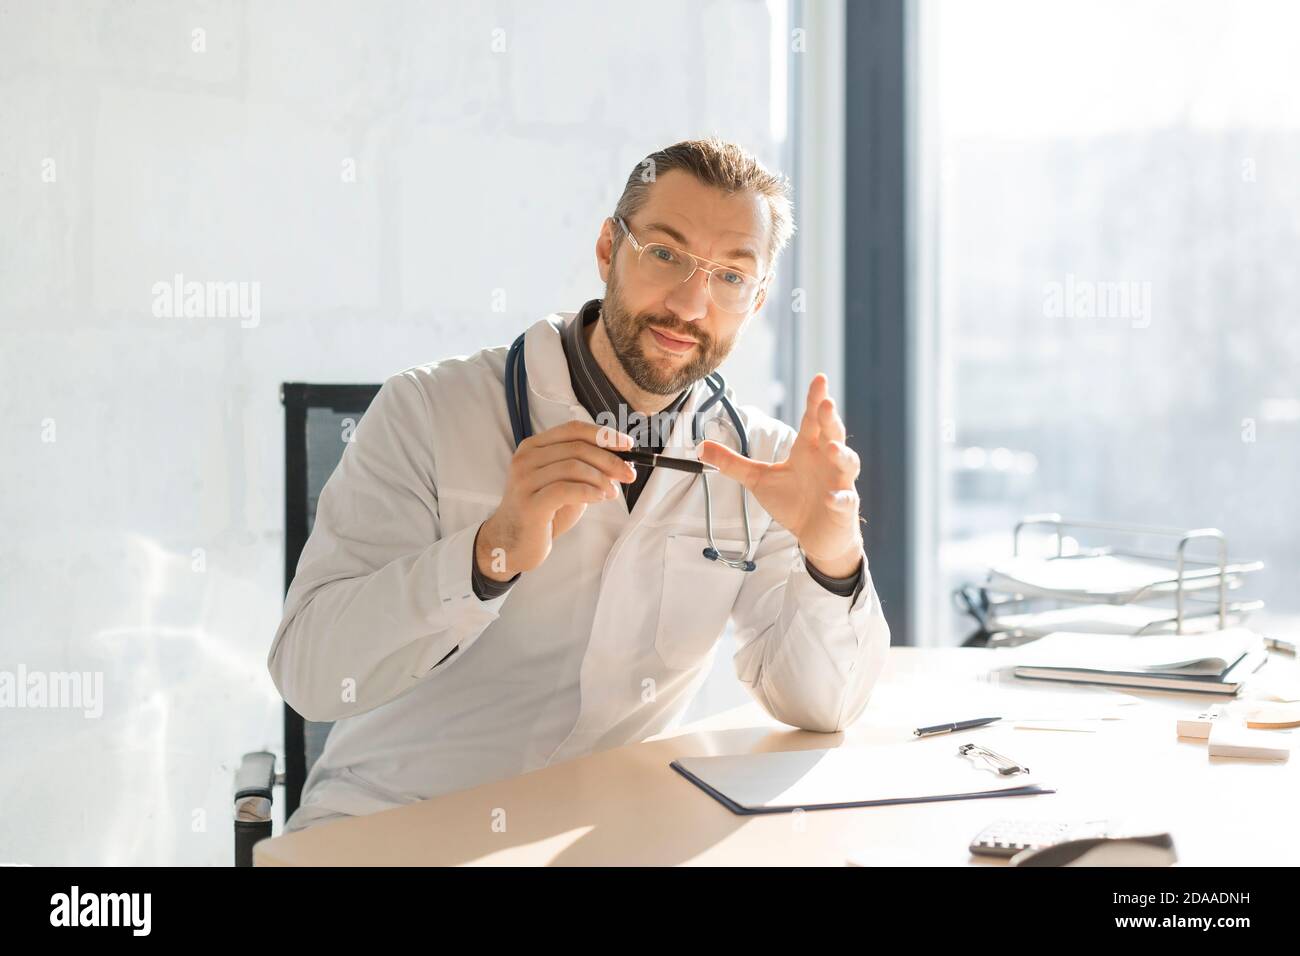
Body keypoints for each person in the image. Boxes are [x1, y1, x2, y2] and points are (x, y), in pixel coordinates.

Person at [268, 137, 890, 832]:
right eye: (665, 254)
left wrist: (831, 555)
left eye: (730, 277)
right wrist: (486, 556)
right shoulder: (426, 410)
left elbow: (821, 706)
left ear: (758, 299)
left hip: (606, 836)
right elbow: (310, 675)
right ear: (607, 249)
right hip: (394, 825)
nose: (690, 303)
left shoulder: (763, 462)